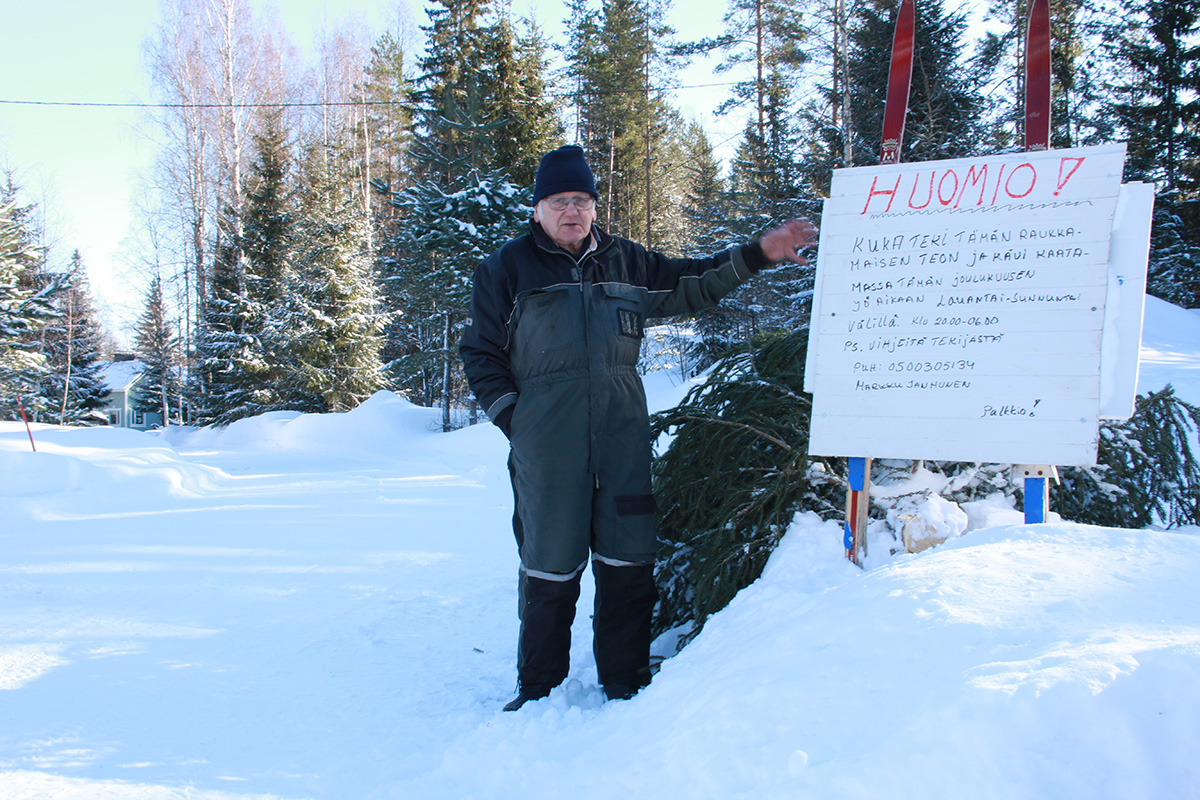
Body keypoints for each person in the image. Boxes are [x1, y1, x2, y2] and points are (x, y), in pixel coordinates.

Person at [459, 144, 818, 711]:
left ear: (595, 207)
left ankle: (625, 682)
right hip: (546, 444)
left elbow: (692, 282)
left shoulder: (625, 262)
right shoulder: (507, 268)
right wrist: (517, 420)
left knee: (628, 557)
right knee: (549, 564)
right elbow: (480, 353)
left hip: (622, 434)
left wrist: (760, 253)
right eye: (558, 201)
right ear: (538, 209)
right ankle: (538, 689)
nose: (571, 211)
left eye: (581, 200)